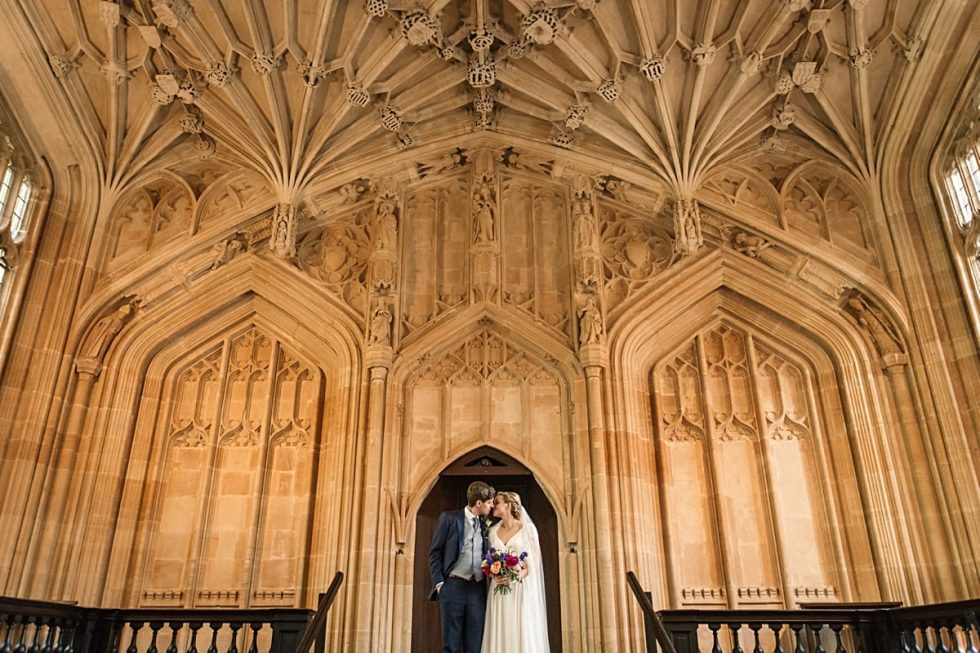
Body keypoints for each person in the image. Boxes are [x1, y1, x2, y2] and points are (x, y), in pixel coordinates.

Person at [429, 481, 496, 653]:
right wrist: (439, 583)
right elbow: (435, 553)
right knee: (451, 644)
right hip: (453, 587)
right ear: (479, 503)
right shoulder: (450, 519)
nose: (492, 506)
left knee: (474, 645)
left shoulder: (485, 524)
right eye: (489, 502)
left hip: (477, 589)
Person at [481, 492, 550, 653]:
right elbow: (489, 560)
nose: (493, 506)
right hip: (499, 591)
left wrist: (516, 576)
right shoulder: (493, 531)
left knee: (520, 628)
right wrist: (494, 574)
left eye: (497, 502)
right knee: (501, 627)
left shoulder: (528, 529)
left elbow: (534, 564)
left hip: (520, 589)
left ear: (508, 505)